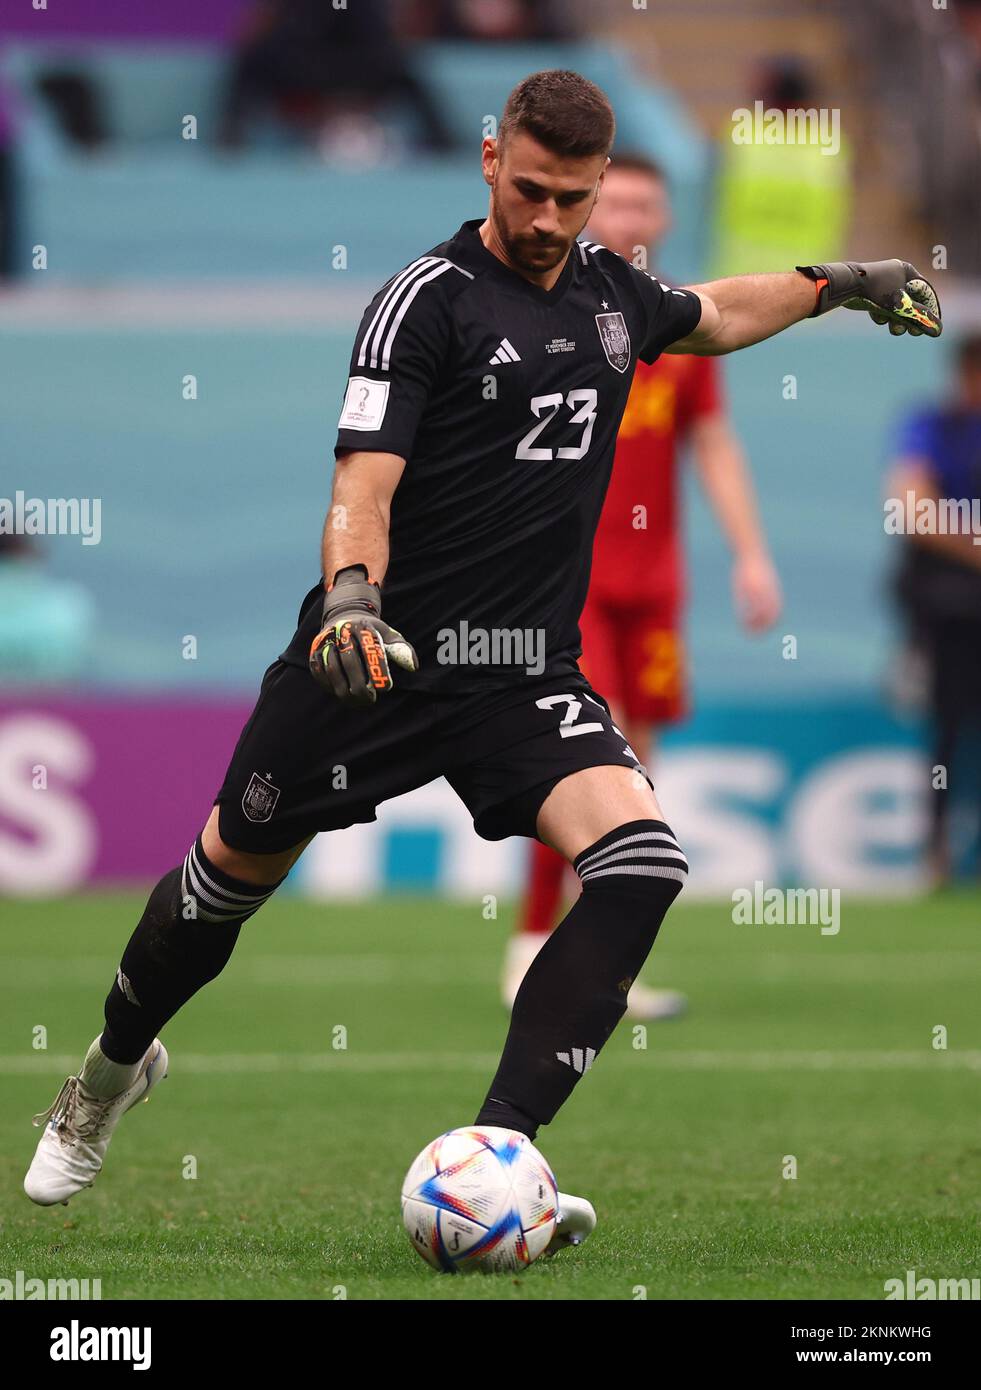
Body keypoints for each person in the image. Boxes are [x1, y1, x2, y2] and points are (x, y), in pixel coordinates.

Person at [24, 69, 941, 1256]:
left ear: (602, 185)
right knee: (215, 892)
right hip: (372, 662)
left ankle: (502, 1152)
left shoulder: (614, 297)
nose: (549, 219)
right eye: (529, 189)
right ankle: (104, 1076)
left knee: (645, 862)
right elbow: (363, 487)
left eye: (571, 197)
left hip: (521, 676)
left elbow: (716, 312)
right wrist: (350, 595)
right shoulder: (427, 302)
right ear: (487, 159)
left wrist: (845, 284)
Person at [504, 153, 782, 1020]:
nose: (629, 216)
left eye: (645, 204)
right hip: (570, 581)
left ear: (661, 218)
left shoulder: (683, 326)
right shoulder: (552, 317)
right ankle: (531, 949)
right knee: (592, 761)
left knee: (637, 775)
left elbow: (712, 441)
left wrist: (750, 553)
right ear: (589, 209)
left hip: (653, 583)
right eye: (614, 199)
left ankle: (594, 965)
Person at [887, 333, 981, 885]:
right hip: (948, 608)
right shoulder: (931, 425)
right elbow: (910, 509)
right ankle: (936, 850)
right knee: (946, 727)